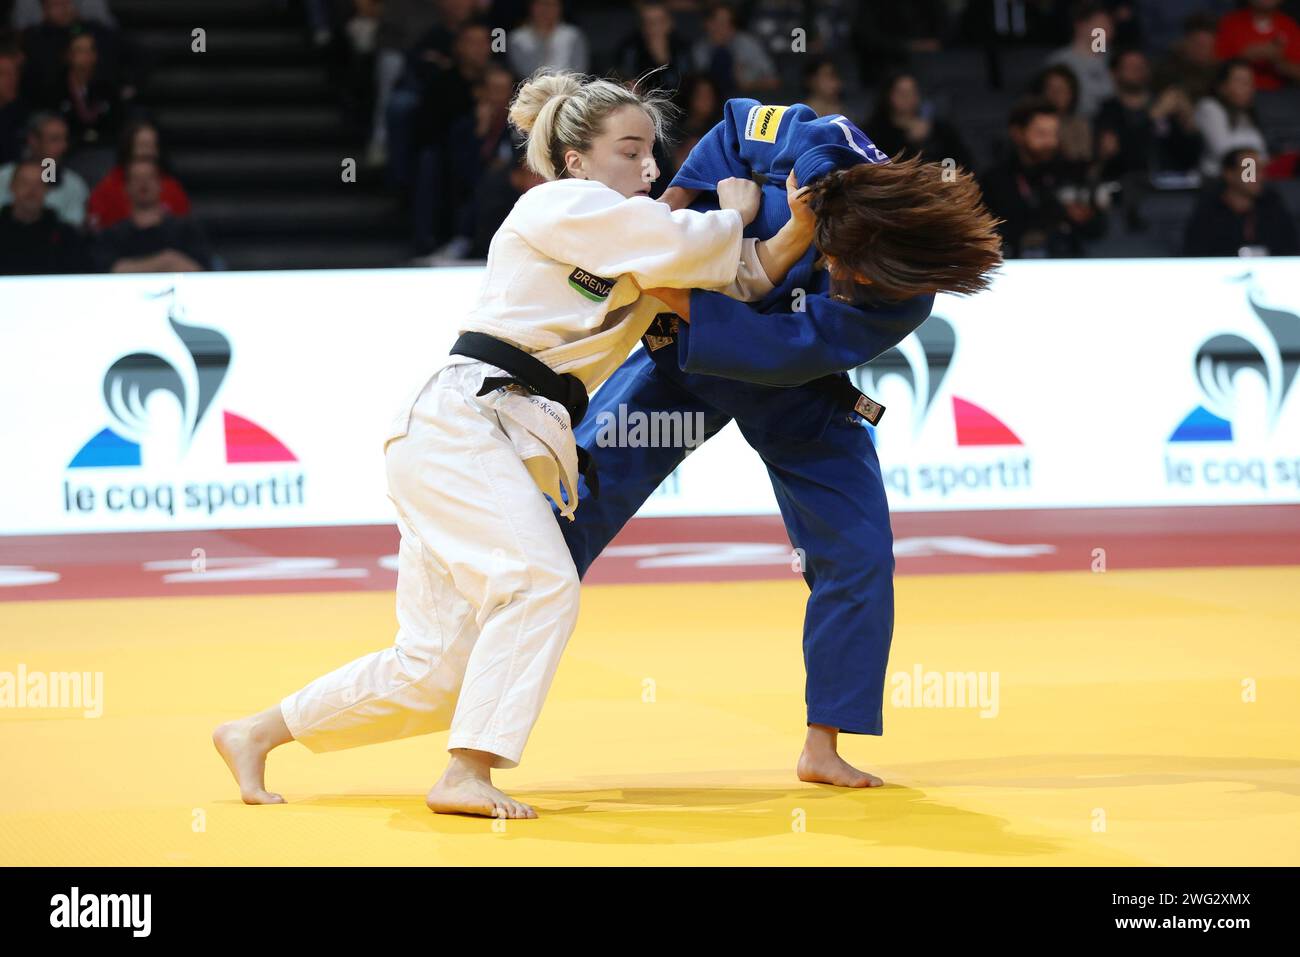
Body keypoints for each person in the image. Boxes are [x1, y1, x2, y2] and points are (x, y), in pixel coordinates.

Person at [212, 71, 817, 820]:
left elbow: (740, 280)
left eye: (652, 153)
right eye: (629, 151)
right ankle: (467, 770)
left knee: (434, 668)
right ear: (575, 161)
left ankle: (253, 731)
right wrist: (736, 211)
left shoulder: (627, 247)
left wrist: (800, 228)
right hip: (462, 423)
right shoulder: (560, 205)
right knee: (540, 583)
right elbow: (701, 241)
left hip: (476, 437)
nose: (650, 169)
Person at [557, 98, 1003, 789]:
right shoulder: (820, 149)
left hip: (788, 387)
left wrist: (653, 271)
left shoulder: (907, 296)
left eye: (865, 284)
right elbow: (734, 128)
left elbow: (782, 350)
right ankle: (481, 664)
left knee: (858, 554)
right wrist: (665, 216)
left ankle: (822, 746)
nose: (849, 284)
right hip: (679, 362)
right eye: (846, 265)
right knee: (569, 506)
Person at [89, 157, 213, 272]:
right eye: (137, 178)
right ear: (126, 187)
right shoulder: (112, 235)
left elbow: (201, 271)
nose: (144, 183)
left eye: (149, 177)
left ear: (160, 184)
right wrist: (167, 261)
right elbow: (110, 272)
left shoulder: (186, 230)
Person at [1182, 147, 1299, 256]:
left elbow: (1290, 251)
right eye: (1250, 170)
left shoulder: (1273, 206)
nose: (1259, 176)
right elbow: (1195, 254)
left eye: (1261, 170)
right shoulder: (1208, 211)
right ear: (1229, 174)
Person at [86, 119, 190, 231]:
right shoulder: (106, 190)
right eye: (143, 145)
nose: (148, 152)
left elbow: (185, 230)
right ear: (128, 148)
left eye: (152, 146)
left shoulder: (173, 189)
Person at [0, 111, 88, 226]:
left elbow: (72, 231)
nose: (63, 146)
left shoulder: (73, 185)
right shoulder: (4, 176)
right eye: (55, 139)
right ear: (33, 141)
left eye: (65, 139)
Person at [0, 156, 87, 272]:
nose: (31, 191)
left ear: (47, 189)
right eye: (25, 183)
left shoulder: (65, 236)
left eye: (38, 184)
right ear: (12, 187)